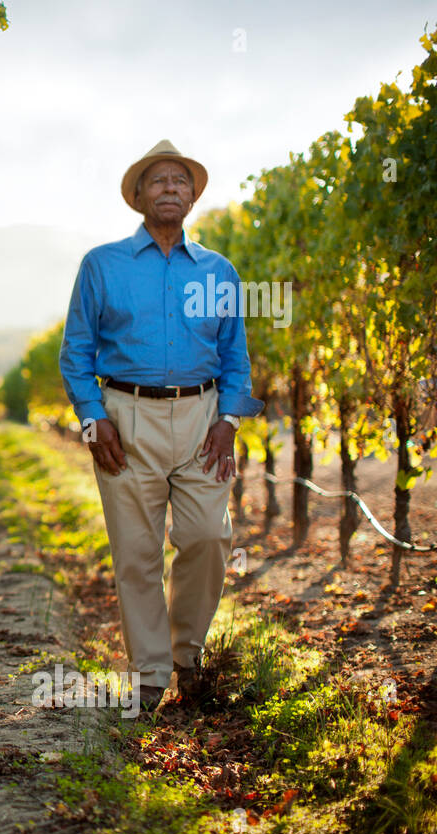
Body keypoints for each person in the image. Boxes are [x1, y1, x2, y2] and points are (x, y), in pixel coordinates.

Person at [58, 139, 265, 711]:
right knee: (136, 552)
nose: (170, 189)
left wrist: (228, 419)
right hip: (124, 416)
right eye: (159, 181)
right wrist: (93, 419)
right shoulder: (103, 265)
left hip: (203, 419)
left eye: (180, 181)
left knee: (208, 536)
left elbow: (235, 357)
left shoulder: (220, 271)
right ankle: (150, 676)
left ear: (193, 196)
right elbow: (75, 352)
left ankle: (186, 654)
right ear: (139, 197)